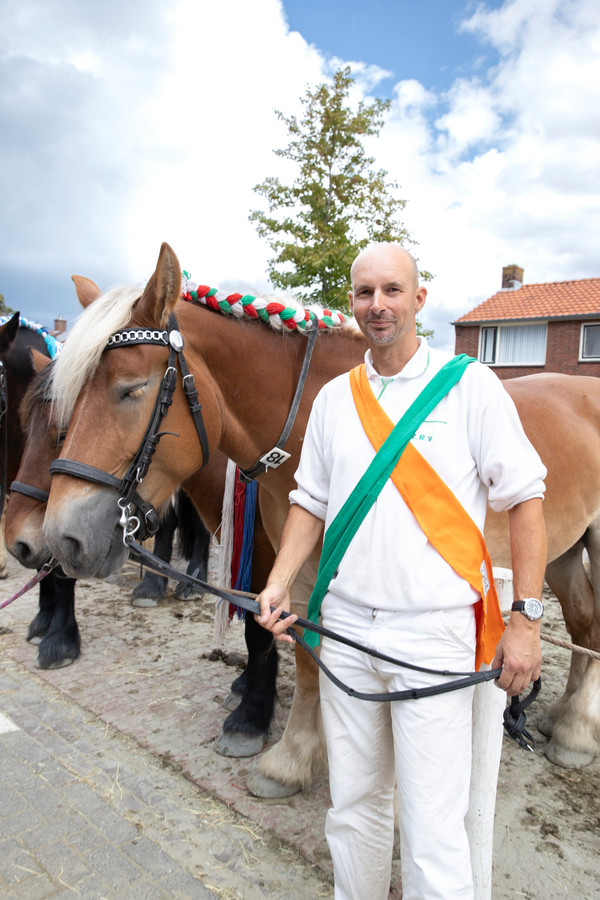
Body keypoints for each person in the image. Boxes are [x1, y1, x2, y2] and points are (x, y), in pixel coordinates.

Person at [256, 243, 547, 900]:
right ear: (351, 304)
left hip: (436, 635)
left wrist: (527, 618)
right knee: (352, 806)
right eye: (364, 293)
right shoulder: (333, 400)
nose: (377, 305)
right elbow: (309, 502)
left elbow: (527, 502)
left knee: (433, 825)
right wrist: (278, 582)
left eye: (392, 290)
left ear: (419, 300)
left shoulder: (470, 386)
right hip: (349, 631)